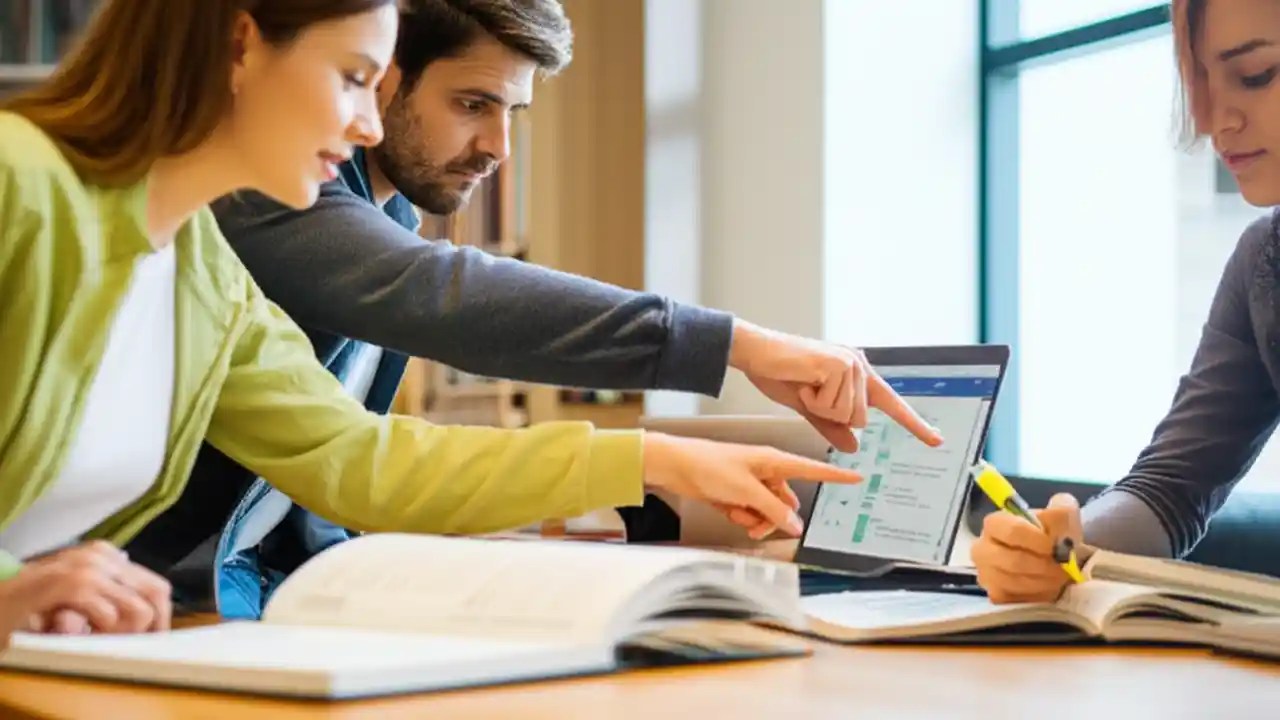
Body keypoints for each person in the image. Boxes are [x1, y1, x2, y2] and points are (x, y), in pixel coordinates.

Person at [0, 0, 866, 645]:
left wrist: (658, 457)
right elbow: (425, 289)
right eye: (352, 78)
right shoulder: (19, 184)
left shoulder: (200, 269)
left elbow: (355, 460)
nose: (370, 122)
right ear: (238, 42)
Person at [972, 0, 1280, 603]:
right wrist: (1059, 545)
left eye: (1256, 75)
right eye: (1200, 84)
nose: (1214, 120)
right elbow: (1169, 491)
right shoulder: (1263, 263)